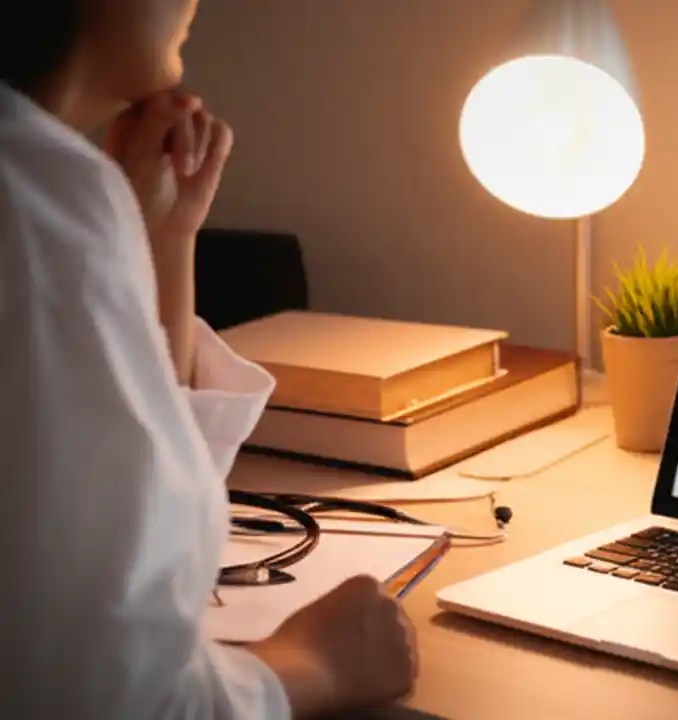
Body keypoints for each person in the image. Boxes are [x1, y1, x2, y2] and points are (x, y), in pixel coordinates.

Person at [1, 2, 416, 717]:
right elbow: (112, 698)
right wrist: (308, 666)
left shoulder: (46, 189)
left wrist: (158, 239)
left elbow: (130, 504)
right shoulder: (33, 198)